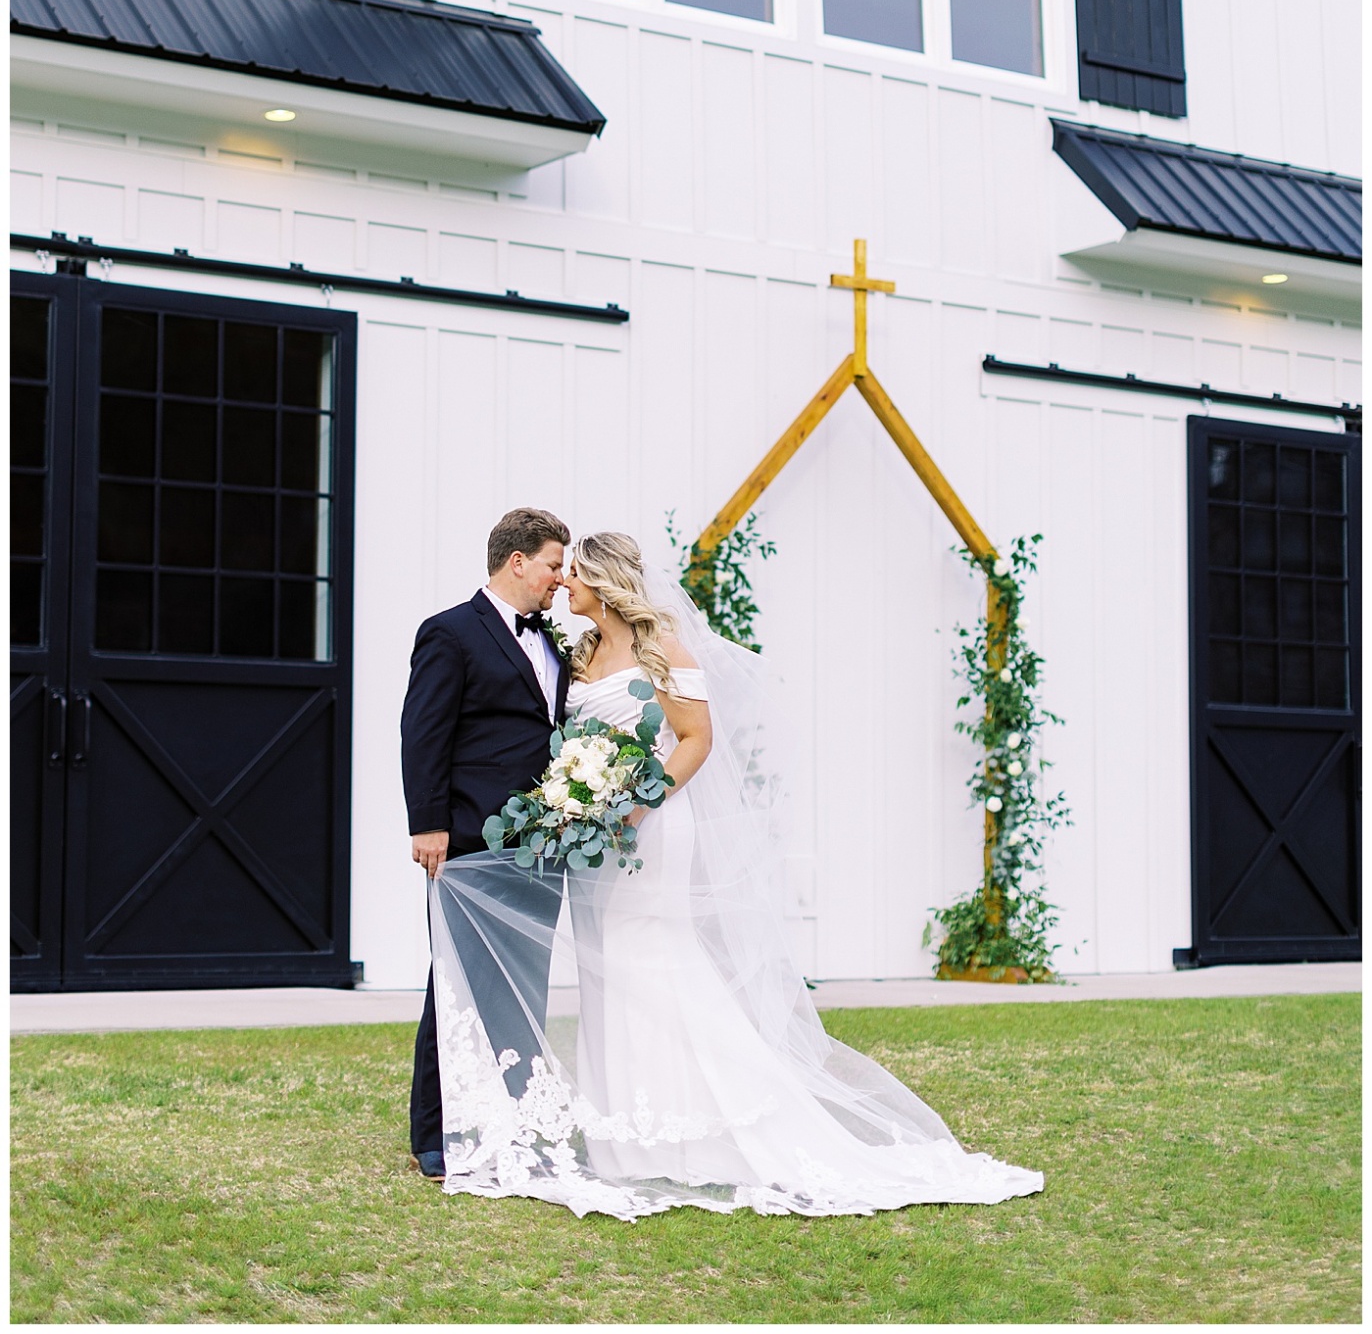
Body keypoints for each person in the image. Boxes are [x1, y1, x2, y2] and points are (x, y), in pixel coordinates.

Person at [426, 531, 1044, 1218]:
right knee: (607, 972)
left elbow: (698, 740)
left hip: (653, 830)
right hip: (598, 842)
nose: (564, 584)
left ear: (605, 582)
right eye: (559, 572)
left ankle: (705, 1129)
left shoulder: (664, 650)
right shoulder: (578, 654)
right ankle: (627, 1140)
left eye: (575, 575)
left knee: (655, 959)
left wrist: (638, 800)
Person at [400, 506, 571, 1179]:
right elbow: (424, 731)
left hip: (541, 847)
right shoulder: (449, 633)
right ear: (518, 561)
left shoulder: (552, 641)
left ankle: (513, 1117)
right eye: (554, 565)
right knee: (457, 984)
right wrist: (427, 823)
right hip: (467, 840)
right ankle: (435, 1134)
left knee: (522, 987)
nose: (560, 579)